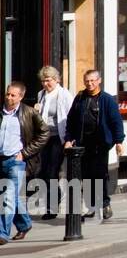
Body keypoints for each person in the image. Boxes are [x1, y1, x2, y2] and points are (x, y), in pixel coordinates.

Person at [64, 69, 125, 221]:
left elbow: (116, 121)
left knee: (99, 175)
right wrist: (68, 139)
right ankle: (91, 206)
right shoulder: (80, 98)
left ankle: (104, 204)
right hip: (83, 145)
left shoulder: (107, 99)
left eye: (93, 80)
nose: (90, 84)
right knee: (86, 176)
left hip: (100, 144)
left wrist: (119, 141)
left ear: (99, 81)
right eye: (87, 81)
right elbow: (71, 120)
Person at [1, 82, 49, 245]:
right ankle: (25, 224)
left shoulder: (29, 113)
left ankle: (2, 234)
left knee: (7, 197)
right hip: (0, 160)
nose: (9, 97)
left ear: (21, 97)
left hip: (16, 161)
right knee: (10, 197)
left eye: (13, 95)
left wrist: (25, 153)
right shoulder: (1, 112)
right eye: (8, 94)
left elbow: (44, 133)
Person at [35, 66, 74, 219]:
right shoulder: (41, 94)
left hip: (59, 137)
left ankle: (52, 207)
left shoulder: (64, 95)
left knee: (52, 171)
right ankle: (54, 200)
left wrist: (69, 139)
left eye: (48, 80)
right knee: (44, 172)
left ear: (56, 79)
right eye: (43, 81)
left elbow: (71, 117)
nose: (45, 84)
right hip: (44, 137)